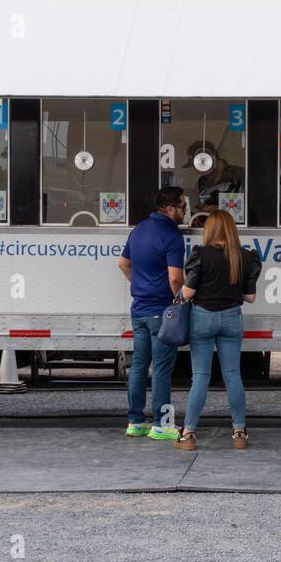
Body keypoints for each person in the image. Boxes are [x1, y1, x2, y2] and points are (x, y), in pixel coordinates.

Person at [174, 211, 262, 452]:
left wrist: (180, 291)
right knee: (232, 374)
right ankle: (239, 431)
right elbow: (250, 297)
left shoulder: (200, 255)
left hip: (203, 317)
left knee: (200, 376)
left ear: (210, 230)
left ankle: (189, 433)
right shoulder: (245, 257)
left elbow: (189, 293)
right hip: (232, 318)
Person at [118, 186, 187, 440]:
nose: (185, 212)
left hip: (139, 309)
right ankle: (162, 424)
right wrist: (181, 302)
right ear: (169, 209)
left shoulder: (138, 230)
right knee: (161, 368)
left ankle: (135, 422)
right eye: (182, 207)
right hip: (163, 311)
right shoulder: (172, 235)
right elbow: (175, 278)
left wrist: (141, 286)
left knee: (138, 366)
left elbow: (123, 263)